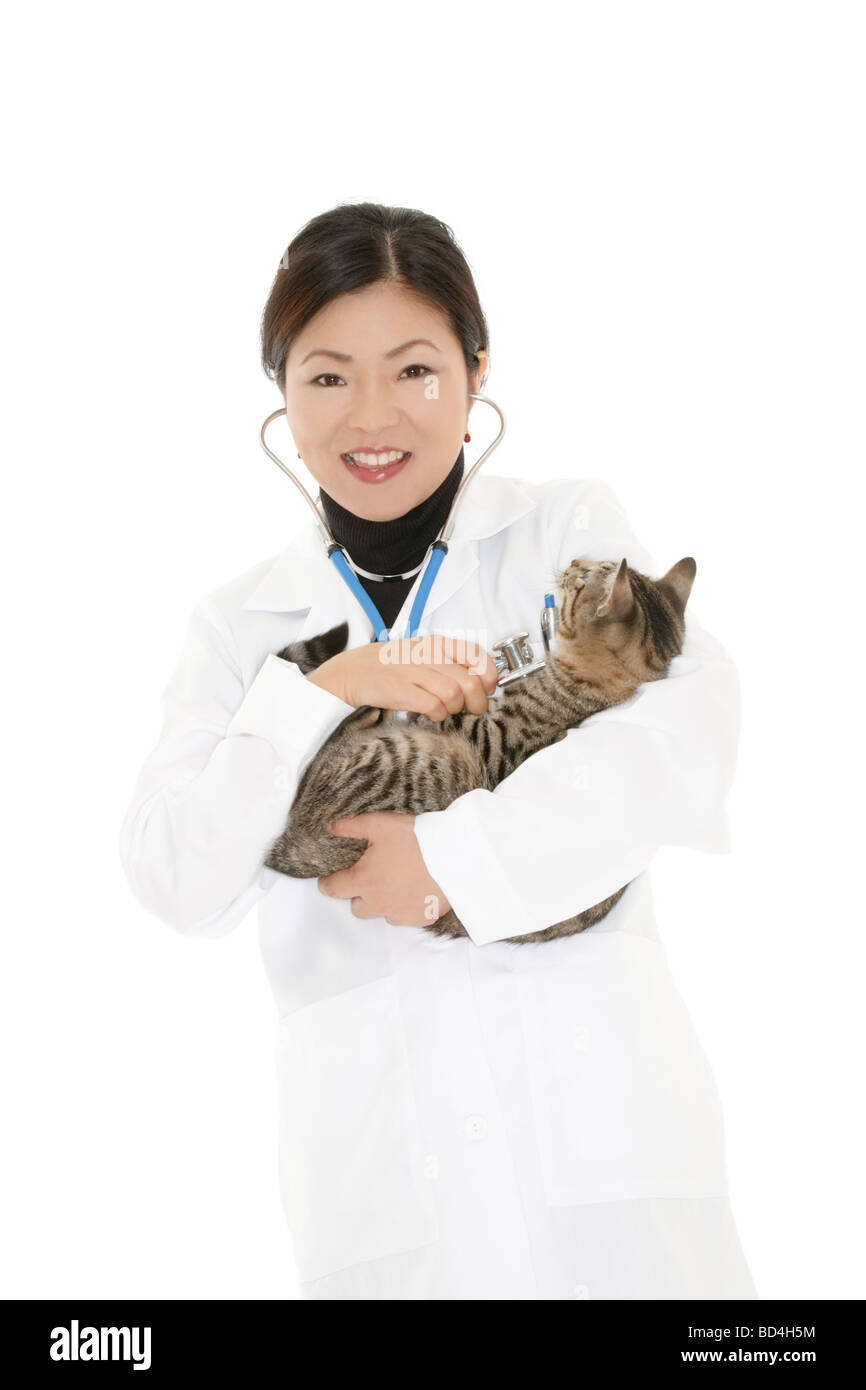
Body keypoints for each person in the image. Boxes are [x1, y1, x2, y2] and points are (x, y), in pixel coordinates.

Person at [119, 201, 758, 1301]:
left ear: (474, 370)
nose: (373, 414)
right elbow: (173, 874)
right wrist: (313, 692)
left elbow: (687, 717)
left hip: (607, 1153)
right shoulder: (240, 628)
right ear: (280, 393)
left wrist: (450, 868)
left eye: (413, 369)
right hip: (386, 1189)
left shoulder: (562, 531)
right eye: (326, 376)